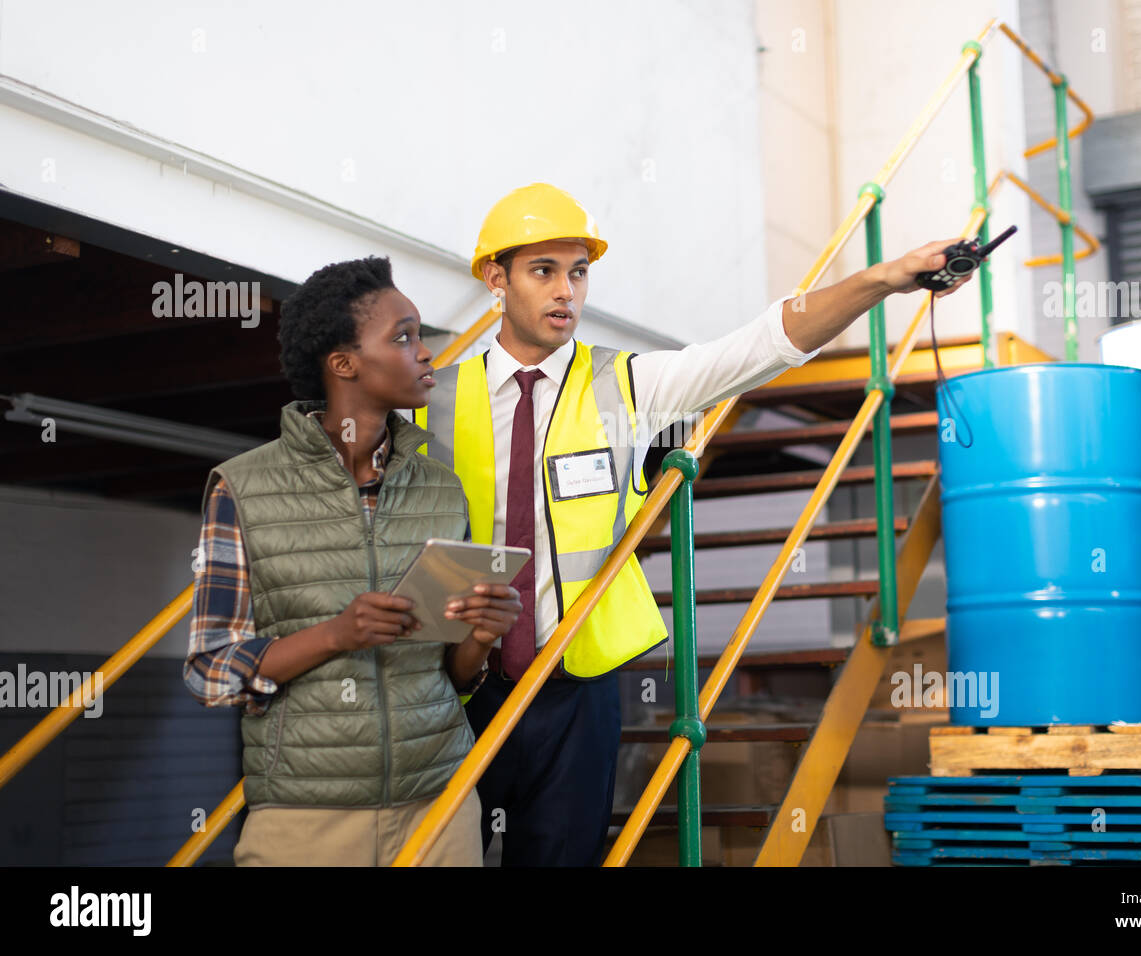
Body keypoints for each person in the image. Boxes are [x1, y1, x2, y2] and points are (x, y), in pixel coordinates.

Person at [424, 182, 972, 866]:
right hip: (462, 684)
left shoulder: (626, 384)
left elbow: (767, 343)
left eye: (578, 272)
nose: (566, 291)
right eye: (543, 271)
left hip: (577, 688)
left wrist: (883, 279)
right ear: (495, 279)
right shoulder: (434, 400)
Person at [183, 256, 521, 866]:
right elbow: (212, 671)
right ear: (343, 364)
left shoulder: (442, 488)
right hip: (307, 820)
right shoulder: (242, 487)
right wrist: (337, 635)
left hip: (440, 808)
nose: (426, 352)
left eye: (420, 334)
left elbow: (452, 675)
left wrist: (480, 635)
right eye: (403, 337)